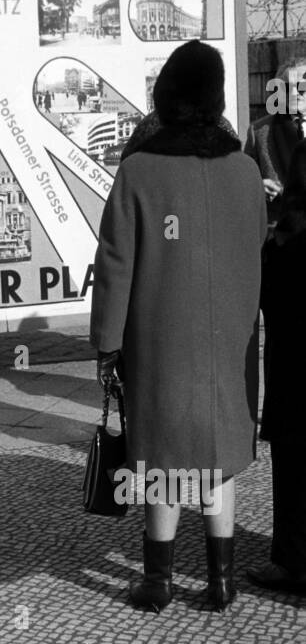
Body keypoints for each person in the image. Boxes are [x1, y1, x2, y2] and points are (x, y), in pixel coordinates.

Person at [91, 40, 267, 612]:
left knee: (165, 457)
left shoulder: (138, 172)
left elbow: (115, 263)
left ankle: (159, 581)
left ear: (165, 98)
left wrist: (107, 344)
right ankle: (221, 581)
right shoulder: (245, 170)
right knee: (217, 456)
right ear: (216, 101)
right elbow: (256, 243)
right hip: (229, 341)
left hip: (158, 340)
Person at [246, 139, 306, 592]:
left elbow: (262, 300)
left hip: (295, 381)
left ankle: (291, 561)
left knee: (294, 470)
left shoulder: (284, 245)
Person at [243, 56, 306, 222]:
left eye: (301, 87)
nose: (294, 93)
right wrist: (258, 188)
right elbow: (244, 184)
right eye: (287, 87)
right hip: (278, 233)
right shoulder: (259, 132)